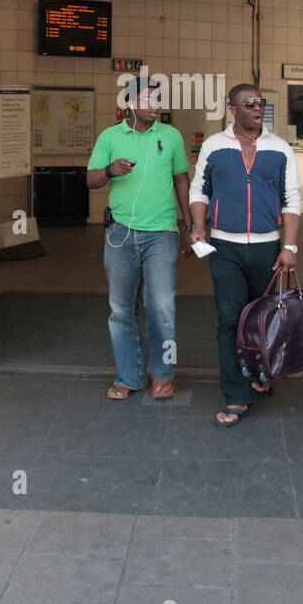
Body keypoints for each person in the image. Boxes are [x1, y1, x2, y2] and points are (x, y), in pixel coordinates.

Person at [189, 83, 301, 426]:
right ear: (232, 109)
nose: (257, 108)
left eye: (260, 103)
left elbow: (292, 198)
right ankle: (237, 394)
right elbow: (199, 189)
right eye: (249, 103)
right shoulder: (214, 146)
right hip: (225, 247)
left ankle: (258, 374)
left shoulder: (280, 149)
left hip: (268, 246)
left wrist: (289, 246)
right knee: (229, 320)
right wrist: (198, 225)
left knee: (262, 319)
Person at [86, 78, 193, 401]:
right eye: (149, 99)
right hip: (120, 233)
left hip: (161, 232)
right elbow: (90, 180)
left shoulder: (171, 136)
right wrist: (109, 171)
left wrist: (190, 225)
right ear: (130, 104)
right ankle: (130, 377)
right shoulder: (110, 137)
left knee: (161, 305)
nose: (156, 104)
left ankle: (163, 374)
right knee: (121, 308)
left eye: (158, 99)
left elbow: (181, 180)